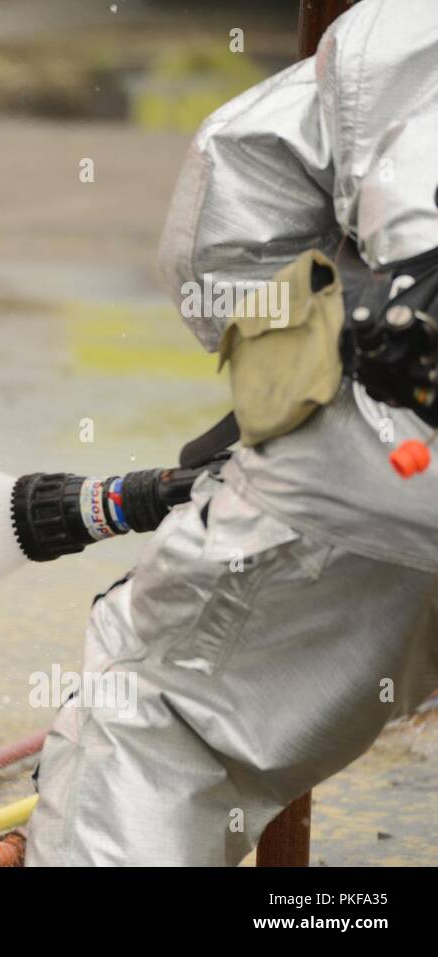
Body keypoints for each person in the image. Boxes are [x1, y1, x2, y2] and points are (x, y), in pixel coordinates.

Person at [27, 0, 438, 866]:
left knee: (158, 715)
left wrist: (284, 388)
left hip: (408, 446)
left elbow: (233, 214)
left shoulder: (400, 31)